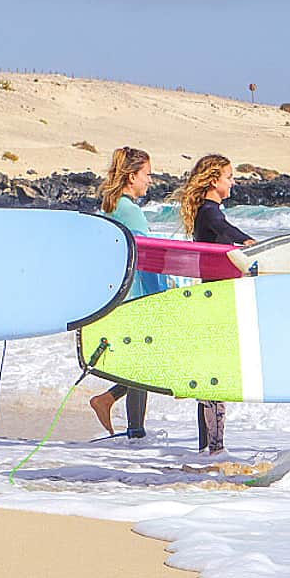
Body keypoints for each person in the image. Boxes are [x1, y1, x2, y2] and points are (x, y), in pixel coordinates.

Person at [173, 154, 255, 455]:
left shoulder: (208, 213)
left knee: (211, 377)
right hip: (214, 302)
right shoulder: (210, 213)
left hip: (211, 299)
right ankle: (214, 450)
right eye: (229, 176)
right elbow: (224, 229)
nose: (233, 182)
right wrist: (250, 243)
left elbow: (224, 230)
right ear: (213, 180)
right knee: (214, 378)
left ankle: (208, 449)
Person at [88, 147, 165, 439]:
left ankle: (115, 408)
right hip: (135, 296)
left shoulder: (110, 207)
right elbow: (148, 257)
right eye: (147, 174)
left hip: (117, 294)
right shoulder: (129, 210)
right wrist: (162, 294)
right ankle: (134, 431)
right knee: (143, 365)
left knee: (141, 364)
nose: (150, 180)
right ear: (132, 176)